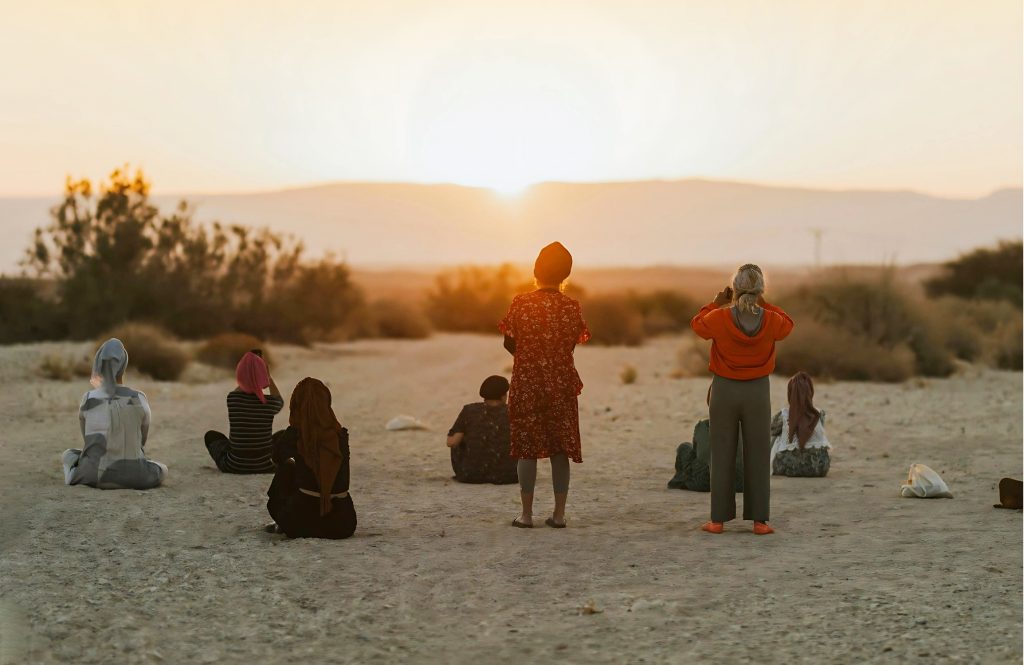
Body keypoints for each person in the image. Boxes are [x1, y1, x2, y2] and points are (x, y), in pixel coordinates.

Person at [690, 264, 794, 535]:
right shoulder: (770, 319)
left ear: (734, 289)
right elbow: (788, 325)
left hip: (724, 389)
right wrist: (764, 302)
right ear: (760, 290)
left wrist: (715, 303)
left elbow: (697, 325)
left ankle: (717, 521)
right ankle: (760, 521)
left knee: (721, 451)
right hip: (757, 391)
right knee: (758, 453)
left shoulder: (720, 317)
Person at [499, 241, 590, 528]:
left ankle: (526, 515)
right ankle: (559, 515)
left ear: (536, 271)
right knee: (559, 448)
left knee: (527, 448)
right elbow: (572, 344)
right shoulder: (571, 307)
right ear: (566, 275)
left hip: (527, 382)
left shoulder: (521, 303)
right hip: (561, 383)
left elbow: (509, 341)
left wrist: (530, 358)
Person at [62, 338, 168, 489]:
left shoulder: (89, 398)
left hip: (95, 475)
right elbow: (142, 439)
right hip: (135, 476)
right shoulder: (139, 398)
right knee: (162, 468)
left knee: (69, 455)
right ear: (123, 366)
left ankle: (75, 476)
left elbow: (88, 440)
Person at [265, 377, 356, 539]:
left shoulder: (296, 433)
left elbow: (277, 458)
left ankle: (282, 521)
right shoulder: (340, 435)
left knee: (287, 468)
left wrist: (292, 432)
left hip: (299, 523)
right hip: (342, 525)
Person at [204, 350, 284, 474]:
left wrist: (249, 375)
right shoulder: (269, 403)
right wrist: (268, 378)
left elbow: (241, 387)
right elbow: (280, 401)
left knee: (211, 436)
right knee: (284, 434)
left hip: (234, 465)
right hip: (265, 465)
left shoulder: (233, 399)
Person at [668, 385, 744, 492]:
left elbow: (697, 453)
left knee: (684, 447)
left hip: (704, 482)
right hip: (740, 483)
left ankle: (680, 479)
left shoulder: (703, 426)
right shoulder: (745, 426)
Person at [446, 375, 518, 484]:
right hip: (510, 476)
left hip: (471, 475)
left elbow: (451, 442)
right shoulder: (515, 412)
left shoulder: (469, 410)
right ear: (503, 395)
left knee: (458, 437)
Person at [770, 372, 831, 477]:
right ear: (811, 392)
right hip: (819, 468)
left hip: (789, 467)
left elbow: (771, 430)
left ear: (790, 393)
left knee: (776, 435)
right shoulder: (819, 414)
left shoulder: (784, 414)